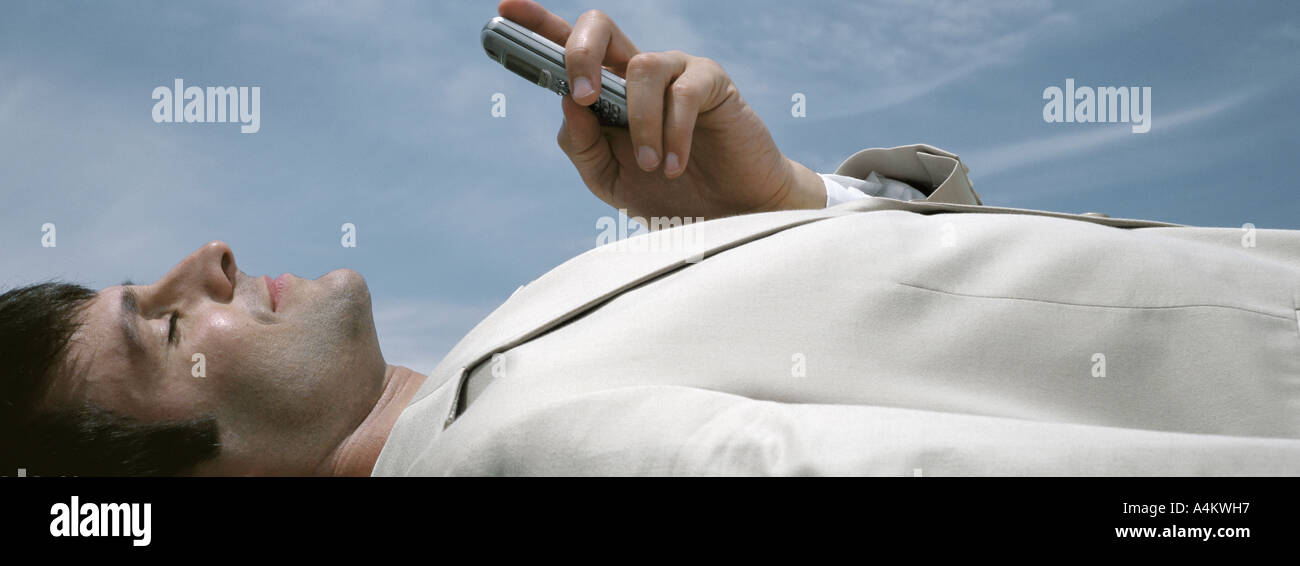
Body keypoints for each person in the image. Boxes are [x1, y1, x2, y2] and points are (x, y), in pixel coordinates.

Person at [3, 1, 1298, 476]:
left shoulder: (488, 382)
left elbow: (997, 344)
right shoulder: (497, 456)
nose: (211, 262)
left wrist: (782, 208)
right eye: (165, 329)